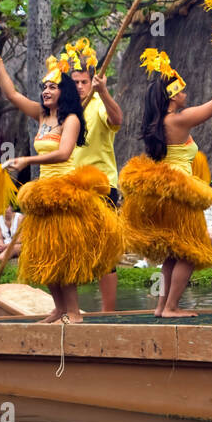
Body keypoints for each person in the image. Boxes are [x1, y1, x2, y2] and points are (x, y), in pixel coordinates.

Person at [0, 42, 122, 323]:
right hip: (44, 194)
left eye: (53, 87)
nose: (46, 91)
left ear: (64, 92)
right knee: (43, 252)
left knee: (60, 254)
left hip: (65, 193)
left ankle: (74, 313)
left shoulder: (71, 118)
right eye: (44, 86)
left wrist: (26, 161)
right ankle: (58, 309)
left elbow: (63, 154)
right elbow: (11, 94)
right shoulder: (41, 115)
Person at [122, 48, 212, 318]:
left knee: (173, 253)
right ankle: (171, 306)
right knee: (189, 254)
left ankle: (162, 307)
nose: (186, 94)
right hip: (181, 196)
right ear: (171, 97)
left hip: (166, 196)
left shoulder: (159, 123)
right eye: (181, 90)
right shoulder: (179, 120)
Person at [68, 41, 125, 311]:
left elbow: (117, 120)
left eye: (84, 82)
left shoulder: (98, 105)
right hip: (72, 188)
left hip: (102, 188)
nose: (80, 86)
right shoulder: (66, 111)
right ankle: (70, 308)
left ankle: (108, 311)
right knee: (71, 247)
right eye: (75, 82)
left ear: (91, 82)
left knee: (105, 251)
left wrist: (103, 92)